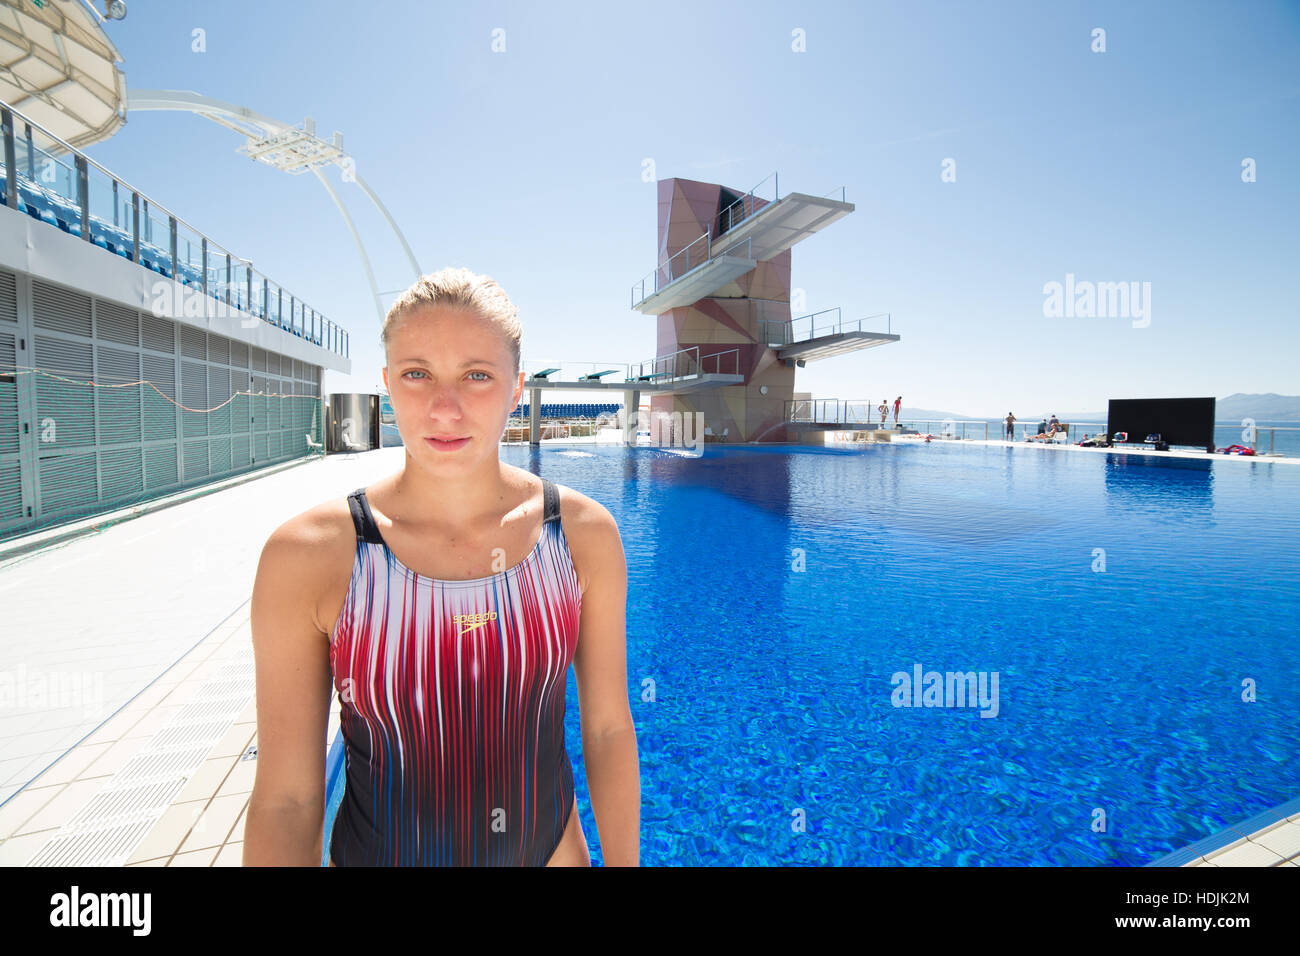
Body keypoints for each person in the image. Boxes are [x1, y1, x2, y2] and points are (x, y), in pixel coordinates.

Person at [245, 267, 640, 867]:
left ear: (515, 389)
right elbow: (289, 800)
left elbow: (608, 729)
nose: (445, 408)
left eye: (476, 375)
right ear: (387, 385)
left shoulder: (581, 536)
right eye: (417, 374)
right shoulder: (309, 555)